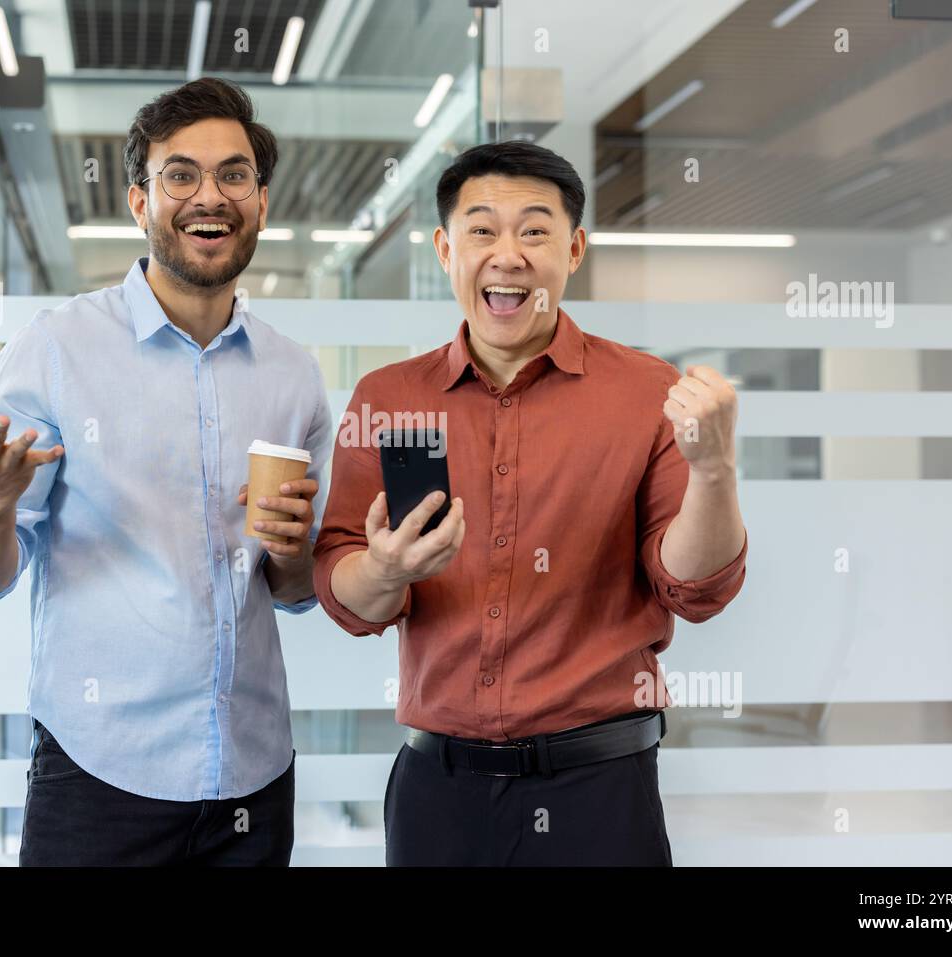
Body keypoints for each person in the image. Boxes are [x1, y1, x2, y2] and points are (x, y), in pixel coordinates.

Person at [0, 78, 331, 866]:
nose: (208, 195)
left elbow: (294, 589)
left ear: (261, 201)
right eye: (179, 174)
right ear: (139, 203)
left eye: (234, 174)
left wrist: (294, 551)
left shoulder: (293, 376)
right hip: (98, 778)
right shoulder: (57, 349)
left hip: (252, 778)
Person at [312, 140, 749, 866]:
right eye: (482, 229)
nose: (507, 254)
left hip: (601, 792)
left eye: (535, 230)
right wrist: (386, 570)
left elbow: (694, 587)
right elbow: (343, 589)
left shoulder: (646, 392)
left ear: (573, 248)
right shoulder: (387, 399)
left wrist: (715, 471)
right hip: (437, 795)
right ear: (446, 248)